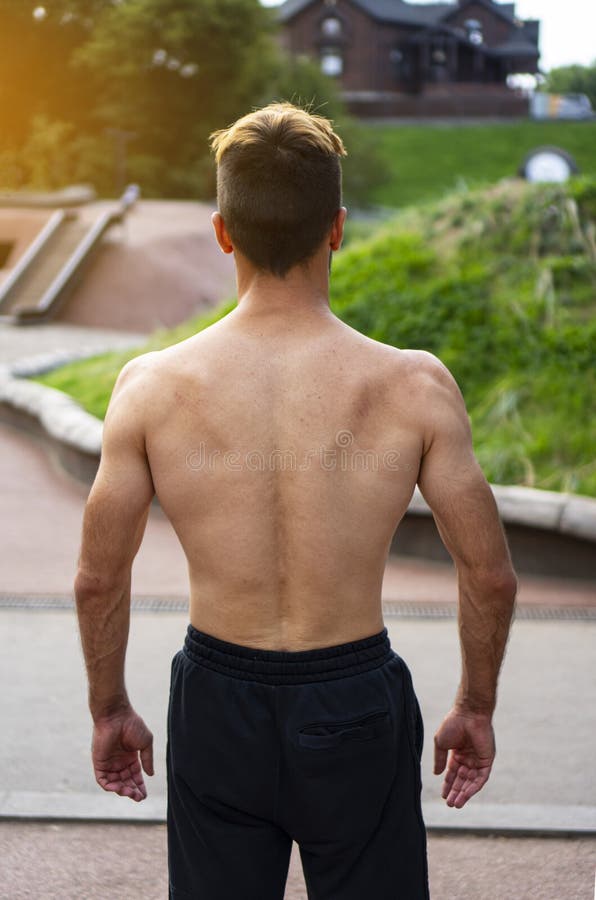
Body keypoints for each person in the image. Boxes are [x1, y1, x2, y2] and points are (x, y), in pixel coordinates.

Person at [74, 102, 517, 899]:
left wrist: (110, 710)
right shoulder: (414, 385)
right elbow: (489, 575)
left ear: (222, 232)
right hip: (356, 695)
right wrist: (474, 707)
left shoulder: (150, 389)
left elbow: (99, 579)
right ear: (338, 228)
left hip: (215, 698)